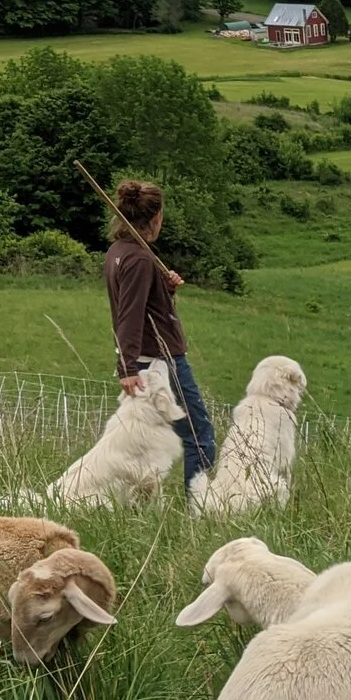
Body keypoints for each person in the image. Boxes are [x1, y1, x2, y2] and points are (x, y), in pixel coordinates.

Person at [103, 178, 216, 487]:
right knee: (199, 435)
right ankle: (200, 507)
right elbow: (130, 314)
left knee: (140, 442)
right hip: (159, 362)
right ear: (156, 217)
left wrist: (164, 289)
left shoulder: (119, 251)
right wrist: (126, 368)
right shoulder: (139, 259)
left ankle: (137, 502)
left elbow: (144, 305)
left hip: (144, 359)